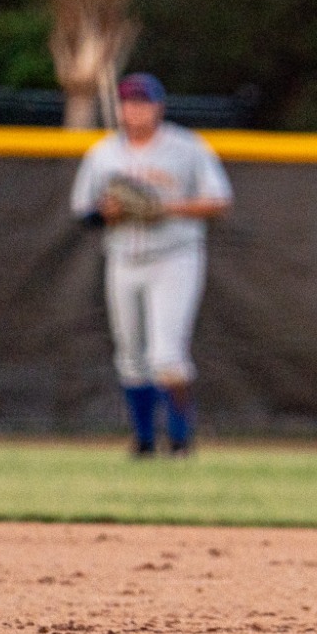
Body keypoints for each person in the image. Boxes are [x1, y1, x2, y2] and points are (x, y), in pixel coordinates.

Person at [70, 73, 233, 456]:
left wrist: (166, 208)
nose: (135, 109)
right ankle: (143, 441)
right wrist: (107, 212)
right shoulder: (104, 153)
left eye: (143, 102)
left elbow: (219, 200)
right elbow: (84, 212)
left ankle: (180, 438)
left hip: (175, 255)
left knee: (166, 356)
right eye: (128, 102)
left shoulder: (186, 147)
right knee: (129, 356)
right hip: (124, 257)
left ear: (159, 106)